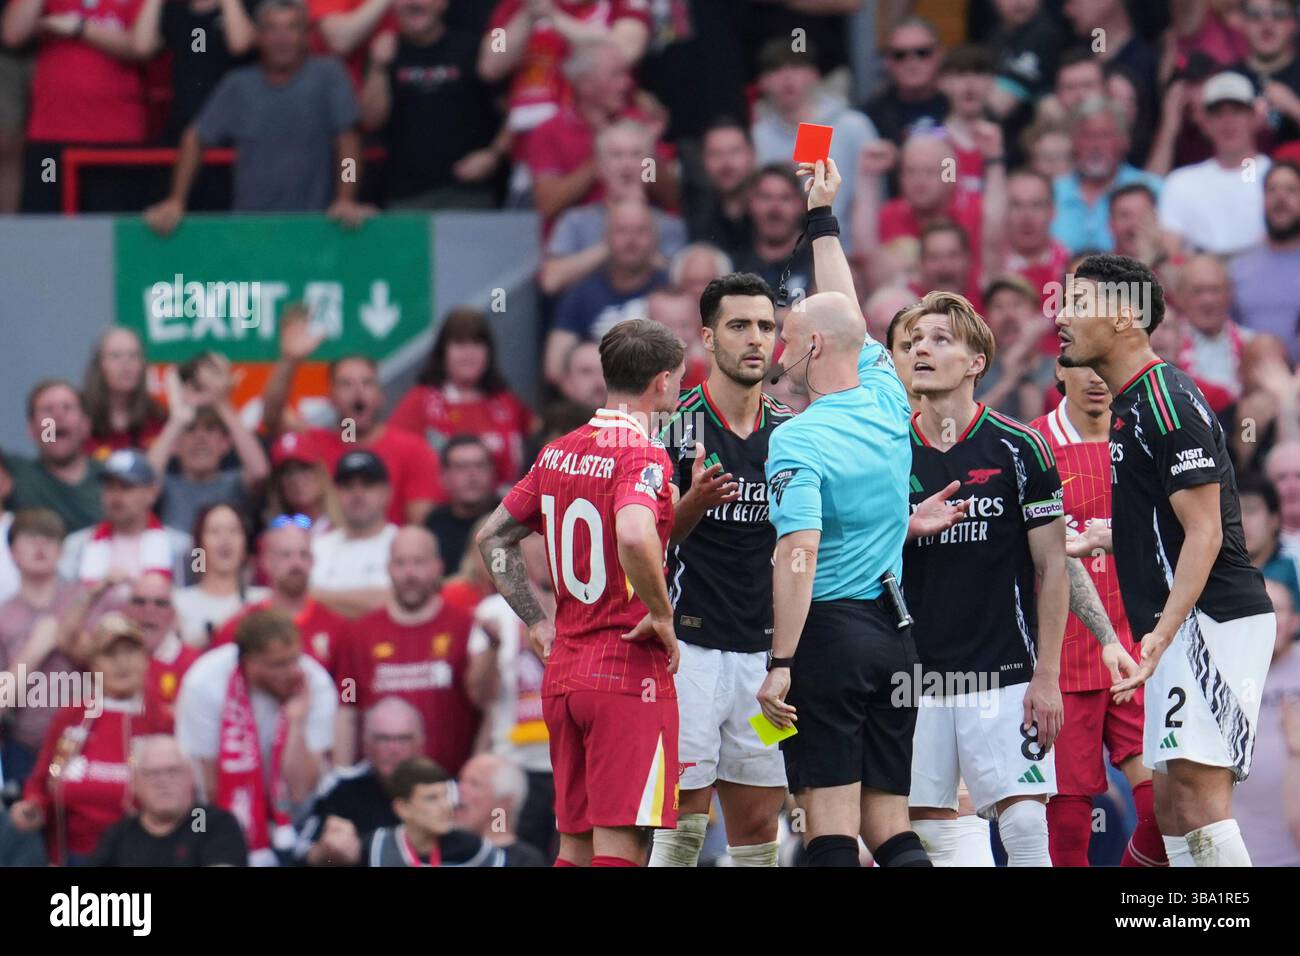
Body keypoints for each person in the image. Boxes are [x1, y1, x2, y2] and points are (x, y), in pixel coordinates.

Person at [1058, 253, 1277, 866]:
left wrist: (1159, 633)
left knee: (1202, 806)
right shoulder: (1134, 403)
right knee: (1175, 809)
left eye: (1078, 303)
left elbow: (1205, 534)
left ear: (1126, 317)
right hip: (1187, 627)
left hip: (1211, 622)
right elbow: (1172, 524)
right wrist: (1110, 536)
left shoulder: (1166, 403)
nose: (1062, 317)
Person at [754, 159, 933, 869]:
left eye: (789, 339)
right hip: (897, 640)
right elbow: (847, 305)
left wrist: (781, 663)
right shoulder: (890, 399)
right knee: (890, 826)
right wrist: (822, 217)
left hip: (828, 636)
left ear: (815, 348)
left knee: (828, 825)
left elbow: (797, 552)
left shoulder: (797, 436)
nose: (780, 351)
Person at [476, 318, 685, 867]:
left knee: (576, 842)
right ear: (661, 382)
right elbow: (636, 533)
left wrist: (536, 621)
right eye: (680, 379)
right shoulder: (643, 455)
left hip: (566, 669)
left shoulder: (558, 452)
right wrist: (662, 614)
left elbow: (492, 536)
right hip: (626, 673)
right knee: (624, 845)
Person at [898, 289, 1067, 868]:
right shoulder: (888, 450)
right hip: (914, 677)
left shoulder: (1022, 447)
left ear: (976, 363)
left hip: (1004, 671)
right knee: (933, 834)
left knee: (1023, 824)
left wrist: (1047, 677)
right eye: (916, 340)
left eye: (941, 339)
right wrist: (905, 529)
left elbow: (1052, 567)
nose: (923, 348)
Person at [648, 270, 793, 868]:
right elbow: (637, 546)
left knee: (761, 818)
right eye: (739, 326)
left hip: (769, 663)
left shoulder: (793, 432)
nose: (756, 339)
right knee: (683, 814)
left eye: (766, 326)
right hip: (689, 653)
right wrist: (692, 506)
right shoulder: (668, 427)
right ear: (708, 338)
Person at [1031, 363, 1166, 867]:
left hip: (1141, 649)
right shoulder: (1033, 444)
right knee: (1068, 826)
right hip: (1062, 657)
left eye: (1103, 365)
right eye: (1080, 365)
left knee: (1165, 812)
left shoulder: (1146, 438)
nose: (1095, 378)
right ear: (1059, 369)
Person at [142, 0, 370, 232]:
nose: (282, 38)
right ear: (259, 36)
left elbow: (348, 145)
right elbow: (195, 137)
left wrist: (345, 197)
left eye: (292, 28)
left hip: (314, 225)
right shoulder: (238, 85)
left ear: (307, 36)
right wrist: (177, 199)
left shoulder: (328, 75)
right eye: (272, 29)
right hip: (250, 227)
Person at [176, 608, 338, 865]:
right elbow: (209, 783)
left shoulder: (315, 682)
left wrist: (296, 719)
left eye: (294, 659)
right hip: (221, 816)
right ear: (249, 662)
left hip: (296, 821)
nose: (291, 671)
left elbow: (300, 790)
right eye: (278, 664)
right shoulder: (205, 682)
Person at [9, 614, 168, 865]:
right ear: (93, 664)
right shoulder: (73, 717)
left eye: (130, 652)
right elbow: (44, 777)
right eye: (110, 654)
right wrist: (34, 806)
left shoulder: (159, 720)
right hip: (74, 858)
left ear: (145, 660)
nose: (122, 663)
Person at [263, 314, 443, 525]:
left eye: (366, 383)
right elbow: (273, 418)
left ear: (380, 396)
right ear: (330, 398)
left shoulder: (413, 450)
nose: (358, 392)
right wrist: (290, 360)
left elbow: (421, 528)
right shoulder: (314, 445)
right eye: (346, 384)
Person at [332, 526, 480, 774]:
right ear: (388, 569)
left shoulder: (465, 626)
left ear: (438, 567)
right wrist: (342, 773)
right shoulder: (358, 634)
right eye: (400, 563)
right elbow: (348, 708)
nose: (409, 573)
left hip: (449, 781)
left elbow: (485, 705)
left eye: (419, 562)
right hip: (378, 784)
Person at [2, 0, 149, 212]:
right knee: (45, 229)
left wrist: (80, 28)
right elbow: (13, 34)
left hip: (116, 136)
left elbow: (142, 46)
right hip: (50, 136)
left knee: (108, 233)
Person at [360, 0, 506, 209]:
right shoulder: (383, 52)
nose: (414, 3)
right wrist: (377, 67)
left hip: (470, 193)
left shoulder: (472, 47)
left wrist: (495, 154)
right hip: (404, 196)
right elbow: (371, 121)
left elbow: (512, 113)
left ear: (443, 4)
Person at [467, 532, 556, 858]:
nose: (543, 548)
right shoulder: (493, 612)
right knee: (517, 856)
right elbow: (479, 696)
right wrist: (492, 648)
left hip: (573, 763)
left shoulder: (585, 602)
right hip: (515, 766)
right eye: (535, 536)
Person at [388, 307, 534, 494]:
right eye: (460, 343)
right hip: (438, 515)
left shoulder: (507, 403)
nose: (469, 353)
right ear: (443, 352)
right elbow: (393, 459)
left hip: (502, 513)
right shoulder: (420, 402)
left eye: (477, 343)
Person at [540, 119, 687, 297]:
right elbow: (551, 281)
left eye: (636, 155)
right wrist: (613, 242)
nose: (626, 165)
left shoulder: (669, 224)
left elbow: (683, 285)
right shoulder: (575, 221)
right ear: (600, 168)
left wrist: (637, 217)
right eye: (616, 155)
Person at [750, 38, 878, 238]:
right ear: (762, 82)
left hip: (850, 250)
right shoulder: (756, 137)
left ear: (815, 75)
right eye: (776, 69)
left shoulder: (853, 126)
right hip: (785, 254)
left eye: (797, 66)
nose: (787, 77)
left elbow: (875, 199)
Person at [543, 199, 669, 384]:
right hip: (597, 398)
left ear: (655, 239)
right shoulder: (581, 293)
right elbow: (555, 368)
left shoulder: (671, 287)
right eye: (622, 231)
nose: (631, 240)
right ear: (606, 238)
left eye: (640, 231)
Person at [0, 508, 79, 790]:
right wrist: (33, 653)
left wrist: (70, 640)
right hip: (25, 749)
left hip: (85, 743)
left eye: (50, 538)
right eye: (30, 538)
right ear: (11, 552)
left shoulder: (86, 602)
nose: (41, 546)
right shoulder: (3, 616)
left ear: (62, 550)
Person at [297, 696, 424, 866]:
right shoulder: (340, 790)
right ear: (366, 744)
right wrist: (327, 854)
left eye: (403, 738)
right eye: (383, 738)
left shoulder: (444, 788)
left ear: (421, 744)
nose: (394, 749)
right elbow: (301, 853)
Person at [213, 520, 348, 676]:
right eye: (286, 555)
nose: (296, 563)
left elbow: (349, 693)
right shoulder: (239, 628)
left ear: (312, 562)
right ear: (266, 562)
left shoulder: (337, 627)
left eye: (303, 554)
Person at [91, 735, 248, 866]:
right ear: (135, 784)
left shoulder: (212, 824)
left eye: (173, 771)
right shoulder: (120, 835)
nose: (163, 781)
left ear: (191, 777)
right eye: (151, 773)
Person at [1159, 71, 1270, 256]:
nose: (1228, 122)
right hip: (1199, 279)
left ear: (1254, 117)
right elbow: (1171, 251)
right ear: (1205, 122)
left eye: (1237, 111)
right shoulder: (1180, 182)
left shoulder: (1277, 177)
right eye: (1218, 113)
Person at [149, 371, 270, 537]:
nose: (201, 437)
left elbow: (260, 472)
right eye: (190, 429)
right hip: (180, 562)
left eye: (210, 429)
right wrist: (177, 420)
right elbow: (143, 479)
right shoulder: (166, 486)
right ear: (175, 445)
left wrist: (222, 405)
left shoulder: (235, 484)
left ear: (225, 443)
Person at [1233, 578, 1300, 865]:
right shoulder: (1223, 671)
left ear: (1295, 621)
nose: (1269, 621)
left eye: (1278, 611)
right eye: (1260, 611)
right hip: (1242, 853)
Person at [129, 0, 256, 143]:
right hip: (184, 123)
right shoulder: (175, 10)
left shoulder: (245, 6)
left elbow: (240, 45)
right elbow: (141, 47)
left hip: (232, 125)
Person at [58, 449, 191, 585]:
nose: (116, 496)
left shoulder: (182, 546)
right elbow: (64, 602)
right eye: (110, 487)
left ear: (152, 493)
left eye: (126, 487)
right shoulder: (75, 545)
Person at [1051, 97, 1163, 254]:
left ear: (1124, 141)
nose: (1095, 145)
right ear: (1074, 142)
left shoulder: (1154, 189)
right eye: (1087, 136)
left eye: (1105, 135)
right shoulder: (1052, 192)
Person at [358, 756, 511, 866]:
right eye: (432, 798)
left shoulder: (477, 852)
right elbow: (332, 861)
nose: (446, 806)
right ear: (402, 808)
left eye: (446, 795)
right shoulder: (375, 848)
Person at [3, 380, 103, 533]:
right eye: (48, 409)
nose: (57, 415)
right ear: (31, 429)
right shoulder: (17, 473)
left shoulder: (111, 479)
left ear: (86, 425)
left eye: (67, 407)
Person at [309, 451, 397, 618]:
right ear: (336, 494)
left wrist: (316, 595)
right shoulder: (316, 546)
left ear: (387, 493)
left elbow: (397, 601)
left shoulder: (402, 543)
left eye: (368, 485)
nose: (358, 494)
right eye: (348, 486)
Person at [1230, 160, 1300, 361]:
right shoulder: (1238, 268)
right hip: (1250, 376)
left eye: (1291, 190)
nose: (1280, 198)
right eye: (1272, 190)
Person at [173, 502, 270, 647]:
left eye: (234, 531)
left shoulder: (264, 600)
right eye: (215, 531)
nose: (225, 540)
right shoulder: (178, 602)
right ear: (199, 545)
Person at [121, 570, 202, 731]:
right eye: (140, 602)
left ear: (173, 614)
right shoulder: (108, 658)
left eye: (160, 603)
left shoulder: (194, 664)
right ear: (126, 611)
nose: (149, 610)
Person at [80, 327, 167, 461]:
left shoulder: (159, 417)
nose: (126, 363)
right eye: (116, 356)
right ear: (99, 365)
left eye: (134, 356)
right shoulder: (77, 414)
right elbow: (49, 440)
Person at [861, 16, 948, 147]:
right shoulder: (867, 117)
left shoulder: (959, 106)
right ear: (887, 61)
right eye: (900, 55)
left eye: (922, 53)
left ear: (939, 54)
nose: (912, 62)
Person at [1228, 0, 1300, 148]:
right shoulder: (1228, 79)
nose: (1267, 25)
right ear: (1243, 23)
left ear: (1293, 23)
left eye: (1278, 14)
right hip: (1245, 168)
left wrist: (1293, 106)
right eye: (1255, 15)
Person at [455, 752, 547, 865]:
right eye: (461, 781)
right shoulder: (444, 850)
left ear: (504, 801)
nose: (460, 789)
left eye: (474, 783)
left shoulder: (527, 862)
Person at [732, 164, 810, 295]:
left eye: (785, 198)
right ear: (750, 203)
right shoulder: (733, 266)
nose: (774, 209)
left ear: (801, 204)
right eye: (766, 197)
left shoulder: (819, 262)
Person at [423, 437, 499, 572]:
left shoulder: (510, 518)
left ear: (491, 472)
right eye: (461, 467)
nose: (472, 474)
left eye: (480, 465)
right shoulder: (434, 523)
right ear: (444, 476)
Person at [684, 118, 756, 260]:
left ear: (752, 155)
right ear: (703, 160)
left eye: (734, 152)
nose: (726, 163)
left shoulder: (774, 211)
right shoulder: (692, 211)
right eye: (716, 153)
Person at [1238, 474, 1300, 607]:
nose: (1241, 521)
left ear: (1274, 519)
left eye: (1250, 510)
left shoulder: (1296, 566)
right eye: (1232, 513)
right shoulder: (1215, 575)